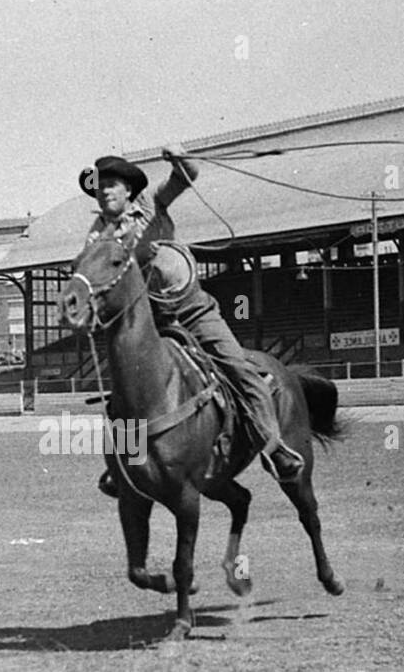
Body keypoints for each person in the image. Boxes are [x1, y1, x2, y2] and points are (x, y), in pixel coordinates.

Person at [80, 148, 306, 495]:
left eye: (111, 185)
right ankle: (124, 467)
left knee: (238, 367)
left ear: (128, 190)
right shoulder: (98, 233)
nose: (104, 192)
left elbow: (187, 176)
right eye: (99, 187)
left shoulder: (152, 206)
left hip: (192, 311)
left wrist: (180, 157)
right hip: (149, 323)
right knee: (123, 392)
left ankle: (274, 448)